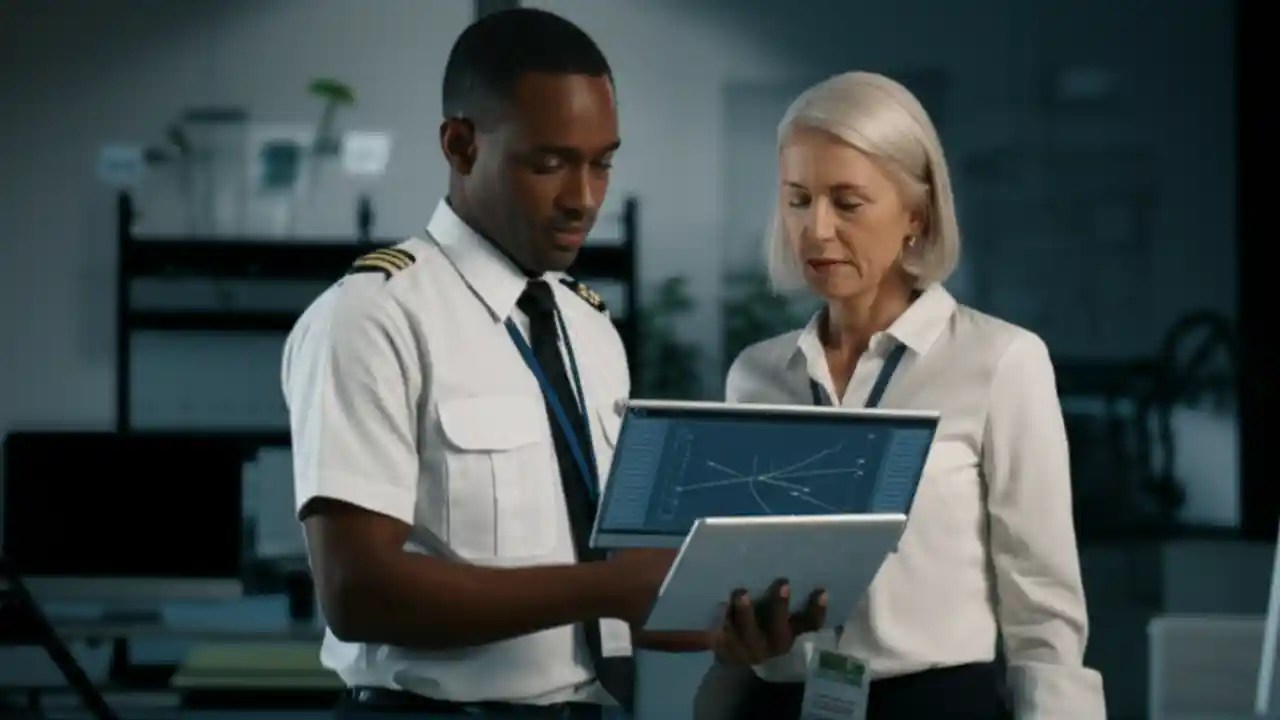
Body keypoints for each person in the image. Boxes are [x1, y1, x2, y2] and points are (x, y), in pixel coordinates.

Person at [280, 8, 712, 719]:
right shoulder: (375, 316)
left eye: (602, 163)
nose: (583, 199)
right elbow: (357, 592)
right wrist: (606, 589)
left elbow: (619, 601)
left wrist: (727, 618)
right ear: (460, 145)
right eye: (549, 164)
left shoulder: (589, 327)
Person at [710, 71, 1108, 719]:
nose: (816, 230)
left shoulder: (1002, 361)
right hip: (784, 704)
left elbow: (1044, 608)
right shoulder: (756, 376)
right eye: (798, 199)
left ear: (915, 218)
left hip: (938, 703)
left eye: (847, 201)